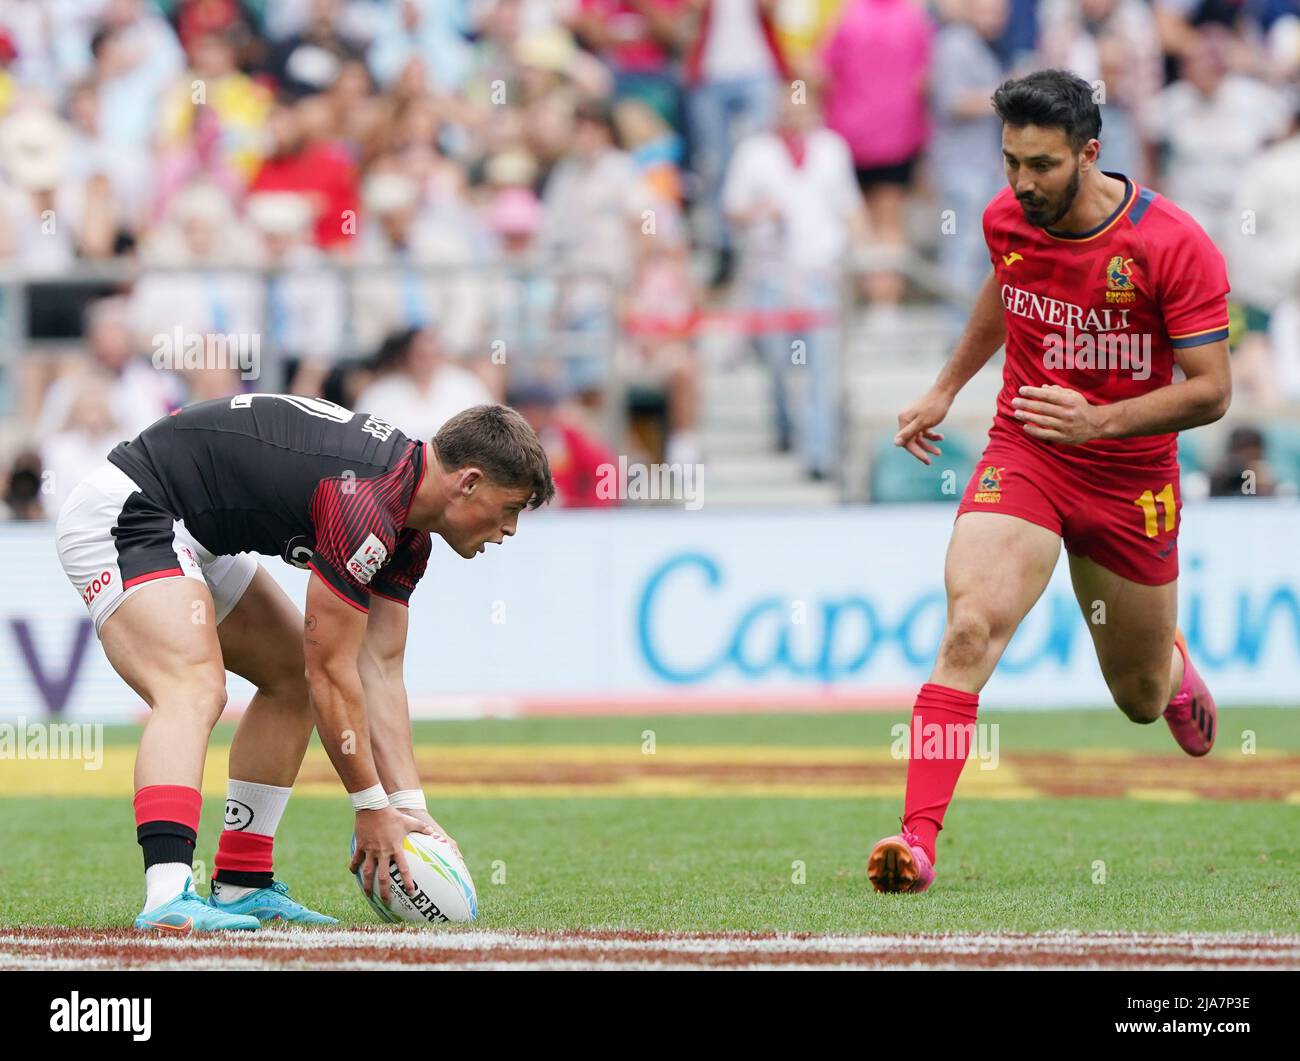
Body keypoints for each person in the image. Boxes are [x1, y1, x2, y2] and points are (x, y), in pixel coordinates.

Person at [878, 69, 1231, 894]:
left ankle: (1172, 671)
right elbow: (1007, 290)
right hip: (1028, 452)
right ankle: (915, 842)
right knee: (969, 630)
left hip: (1130, 477)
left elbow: (1212, 391)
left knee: (1137, 695)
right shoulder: (1010, 217)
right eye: (1011, 162)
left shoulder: (1174, 243)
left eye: (1041, 165)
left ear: (1090, 152)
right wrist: (945, 387)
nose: (1022, 184)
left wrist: (1101, 421)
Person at [53, 396, 554, 931]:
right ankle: (167, 896)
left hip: (189, 530)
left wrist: (407, 809)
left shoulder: (406, 530)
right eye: (511, 508)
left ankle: (241, 884)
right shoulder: (366, 501)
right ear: (469, 482)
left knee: (290, 678)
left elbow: (378, 670)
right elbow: (333, 671)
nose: (510, 530)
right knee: (193, 688)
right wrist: (369, 806)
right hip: (130, 508)